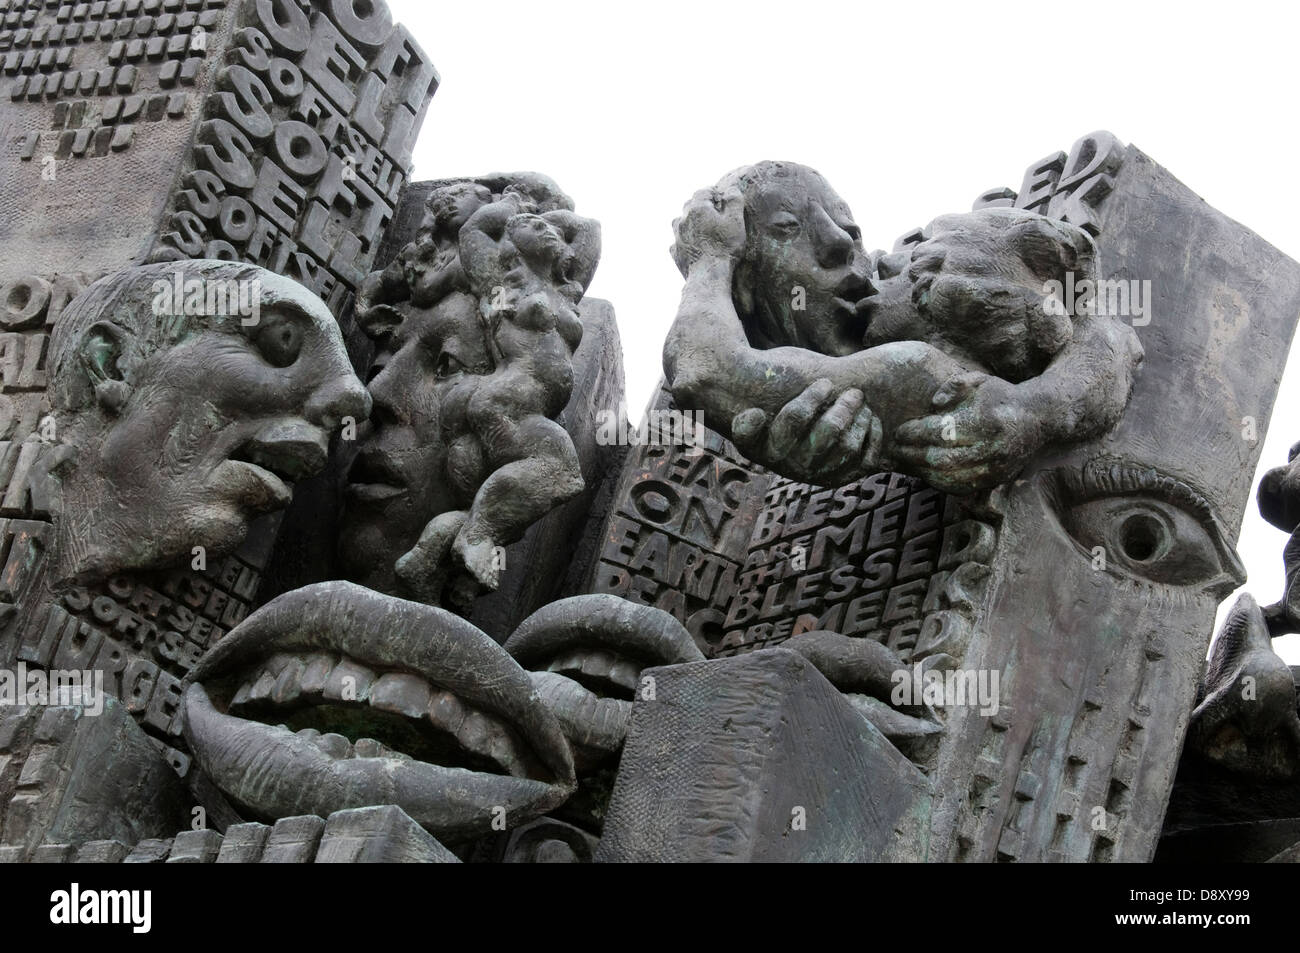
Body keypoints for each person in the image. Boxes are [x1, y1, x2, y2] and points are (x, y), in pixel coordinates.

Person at [664, 161, 1144, 492]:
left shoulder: (915, 368)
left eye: (850, 227)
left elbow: (703, 369)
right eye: (788, 227)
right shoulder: (883, 319)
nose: (857, 253)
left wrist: (709, 259)